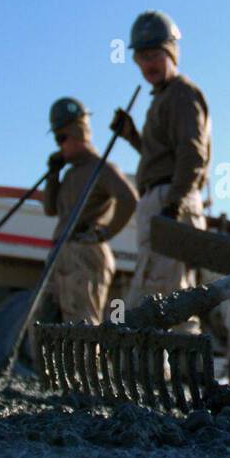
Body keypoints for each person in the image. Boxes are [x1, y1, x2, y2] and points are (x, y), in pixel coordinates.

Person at [110, 11, 212, 331]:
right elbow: (164, 157)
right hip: (166, 196)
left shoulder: (181, 92)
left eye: (155, 55)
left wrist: (173, 205)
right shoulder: (163, 97)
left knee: (156, 294)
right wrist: (133, 137)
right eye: (141, 57)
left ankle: (150, 374)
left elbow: (191, 154)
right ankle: (178, 375)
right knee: (173, 294)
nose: (148, 64)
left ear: (171, 52)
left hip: (172, 198)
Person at [42, 98, 138, 324]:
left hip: (85, 254)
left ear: (79, 133)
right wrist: (53, 174)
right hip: (60, 253)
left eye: (62, 138)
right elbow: (49, 209)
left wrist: (104, 232)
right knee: (44, 323)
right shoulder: (69, 174)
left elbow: (129, 199)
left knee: (81, 328)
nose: (59, 145)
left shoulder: (101, 168)